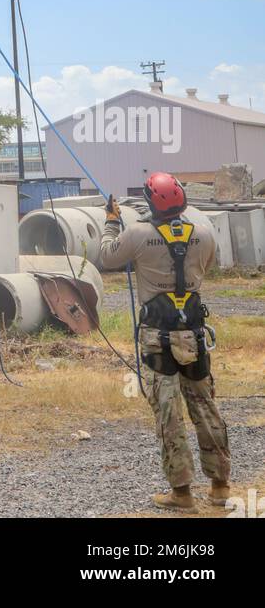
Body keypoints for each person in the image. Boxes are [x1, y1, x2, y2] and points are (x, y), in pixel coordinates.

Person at [100, 173, 231, 511]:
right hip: (193, 335)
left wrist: (112, 223)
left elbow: (107, 257)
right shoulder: (203, 234)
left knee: (168, 412)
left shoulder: (139, 234)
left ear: (150, 202)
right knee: (205, 406)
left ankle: (182, 493)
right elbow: (207, 266)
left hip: (157, 336)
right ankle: (220, 486)